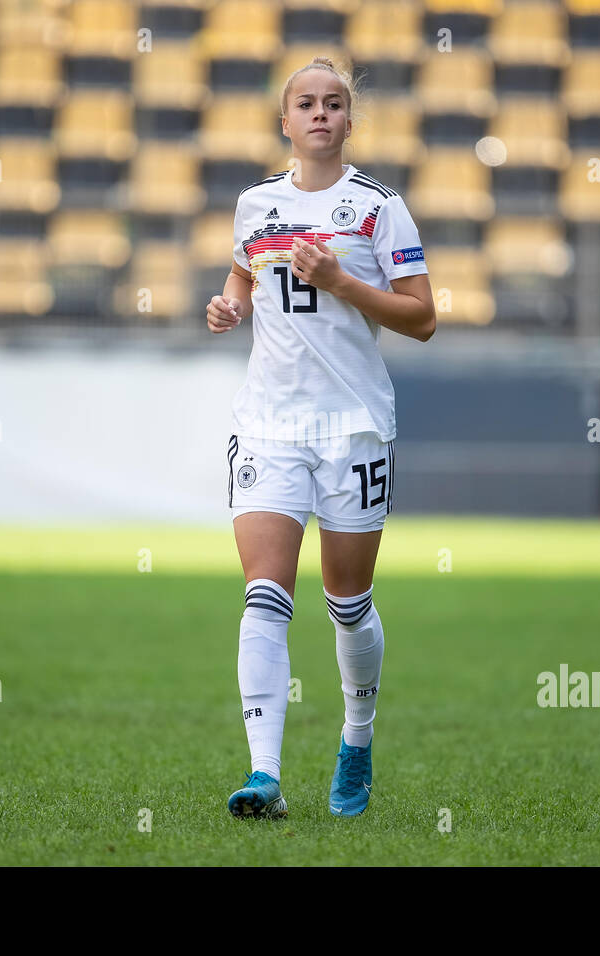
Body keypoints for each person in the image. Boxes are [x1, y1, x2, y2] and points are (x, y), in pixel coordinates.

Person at [207, 57, 436, 818]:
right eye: (305, 103)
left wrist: (341, 283)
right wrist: (231, 304)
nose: (320, 114)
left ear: (349, 121)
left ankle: (357, 739)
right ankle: (264, 776)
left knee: (348, 603)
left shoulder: (378, 208)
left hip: (353, 426)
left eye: (333, 103)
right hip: (268, 425)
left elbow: (422, 318)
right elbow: (243, 273)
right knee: (265, 595)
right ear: (285, 121)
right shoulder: (255, 206)